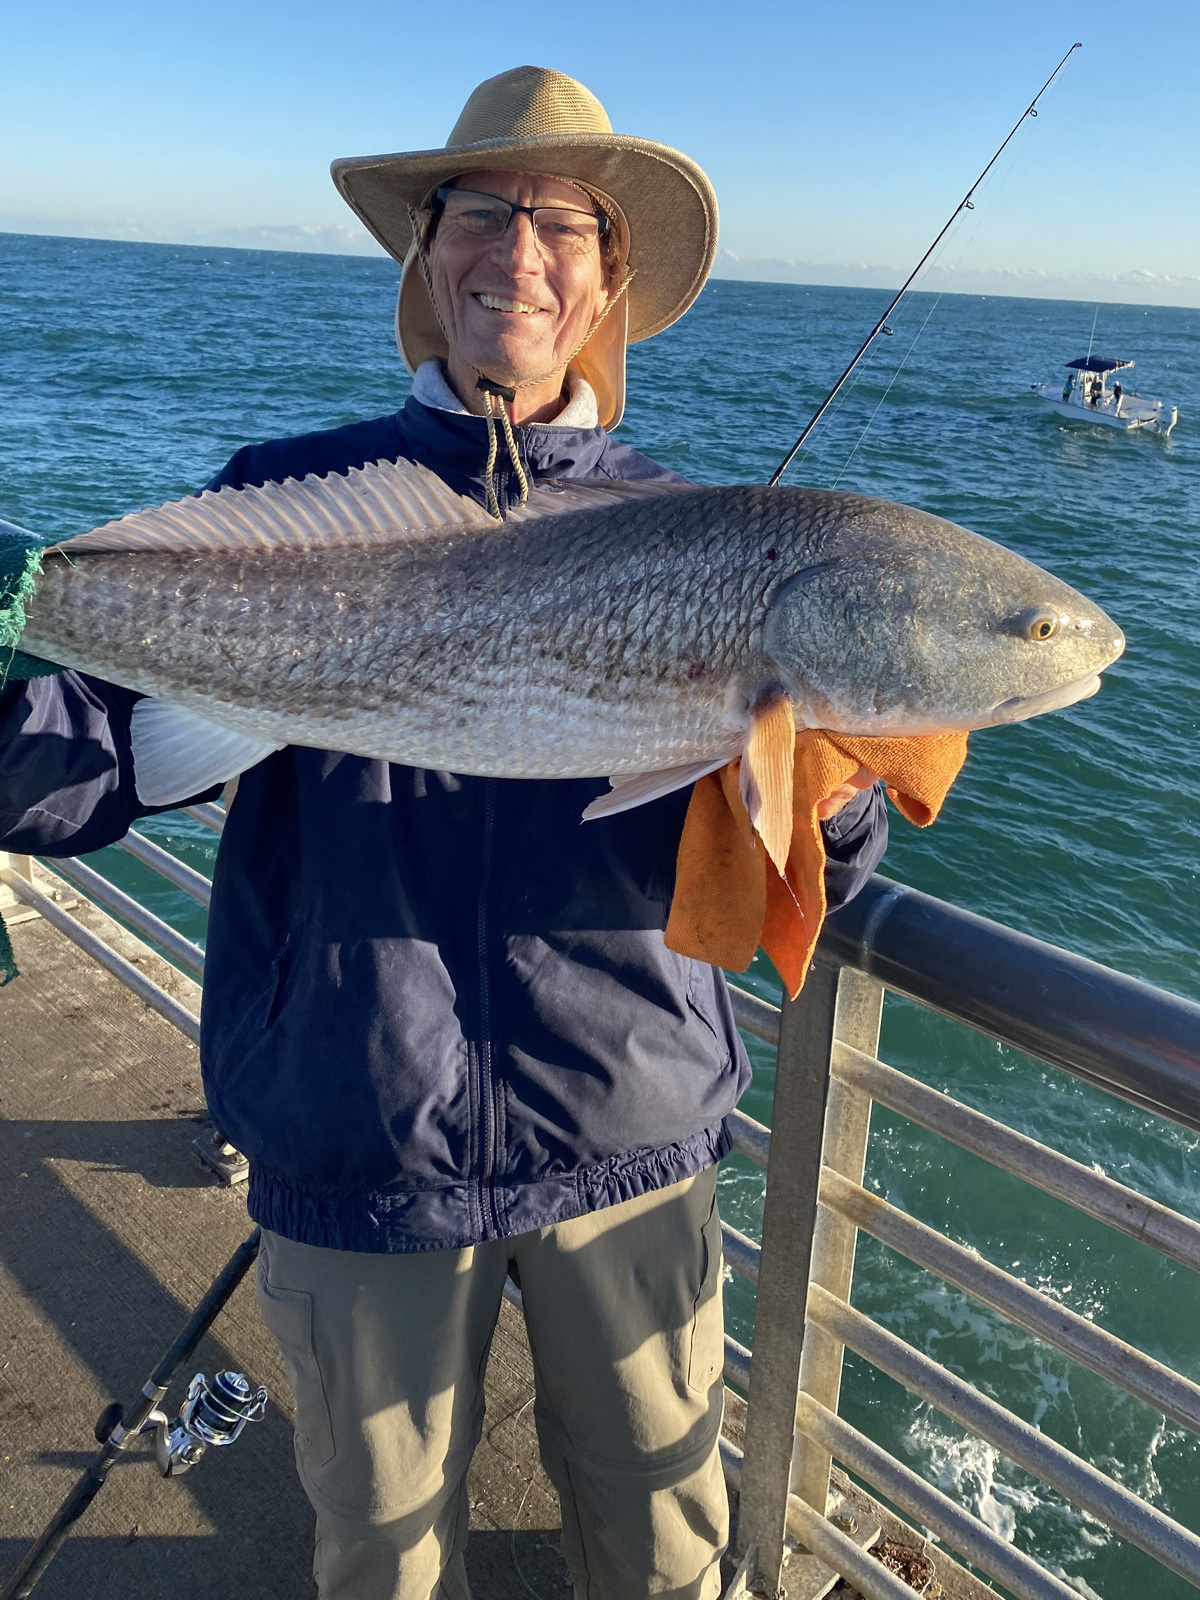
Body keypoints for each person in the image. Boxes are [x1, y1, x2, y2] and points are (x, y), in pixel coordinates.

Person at [0, 67, 887, 1600]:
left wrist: (836, 788)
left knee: (668, 1555)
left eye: (564, 224)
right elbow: (81, 778)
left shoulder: (706, 532)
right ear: (427, 251)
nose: (518, 252)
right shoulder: (277, 502)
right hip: (359, 1137)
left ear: (611, 279)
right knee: (383, 1564)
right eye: (482, 212)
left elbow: (813, 874)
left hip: (628, 1134)